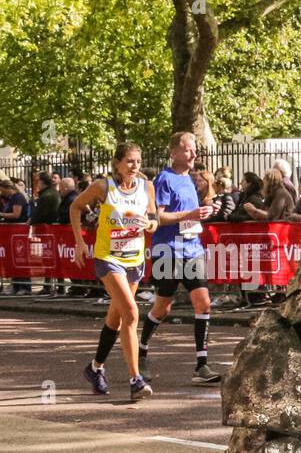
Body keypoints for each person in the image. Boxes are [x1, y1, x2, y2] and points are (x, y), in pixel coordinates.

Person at [71, 142, 158, 401]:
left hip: (135, 259)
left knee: (116, 319)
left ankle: (95, 367)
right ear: (117, 163)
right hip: (108, 259)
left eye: (138, 161)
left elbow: (154, 218)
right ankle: (136, 380)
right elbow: (75, 206)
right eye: (129, 161)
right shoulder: (103, 186)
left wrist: (149, 224)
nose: (134, 166)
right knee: (131, 313)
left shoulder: (147, 187)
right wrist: (79, 242)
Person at [138, 132, 220, 385]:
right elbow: (158, 217)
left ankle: (201, 365)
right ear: (174, 153)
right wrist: (191, 214)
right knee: (163, 307)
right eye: (188, 150)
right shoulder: (164, 179)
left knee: (203, 303)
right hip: (168, 250)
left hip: (192, 249)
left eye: (194, 149)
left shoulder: (189, 179)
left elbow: (190, 215)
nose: (194, 154)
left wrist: (205, 212)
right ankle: (141, 352)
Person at [0, 178, 33, 294]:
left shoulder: (18, 197)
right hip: (11, 233)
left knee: (20, 259)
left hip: (18, 233)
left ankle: (25, 286)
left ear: (7, 188)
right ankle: (16, 285)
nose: (2, 193)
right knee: (12, 260)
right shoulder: (12, 198)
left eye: (2, 190)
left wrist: (2, 214)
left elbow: (16, 214)